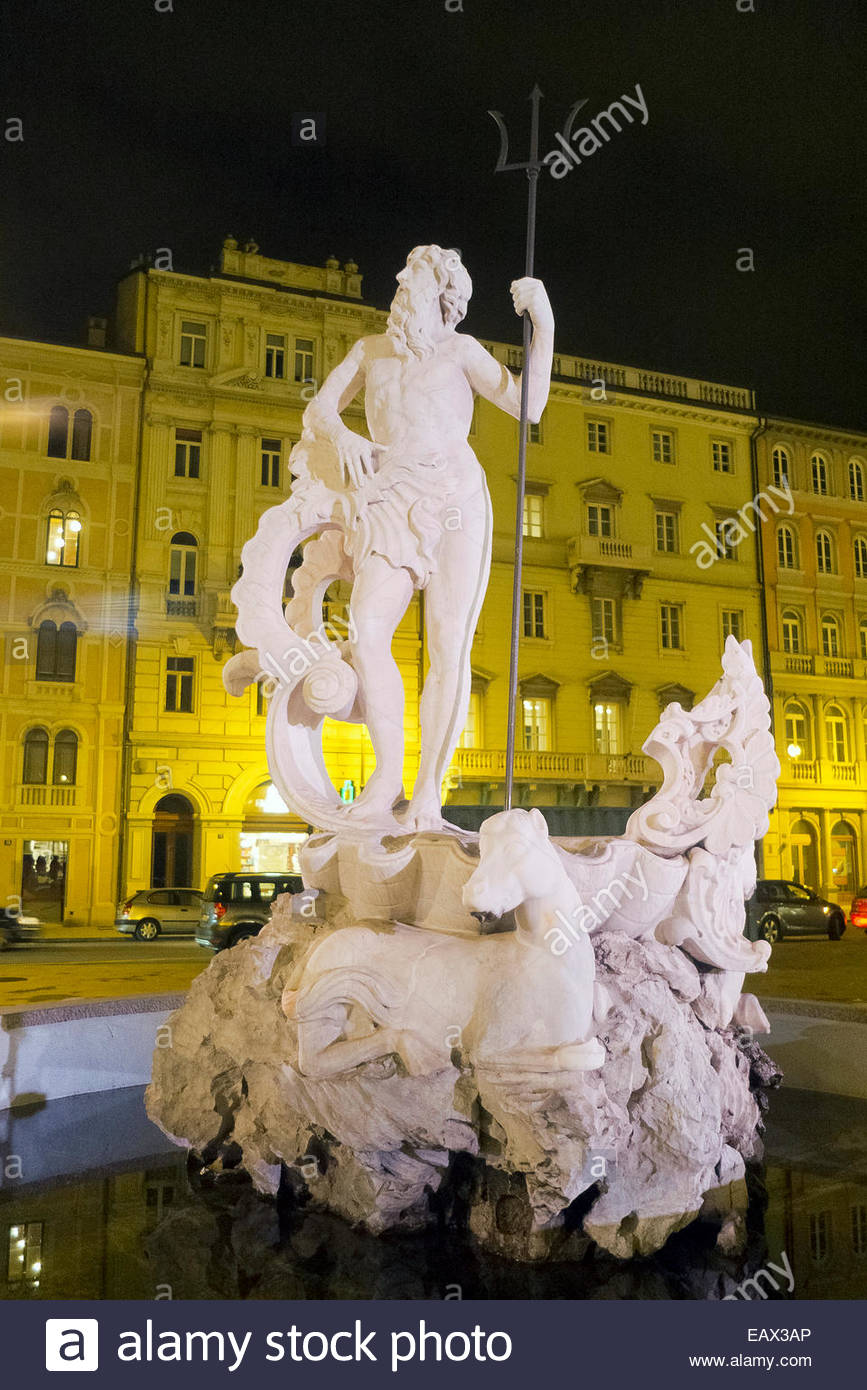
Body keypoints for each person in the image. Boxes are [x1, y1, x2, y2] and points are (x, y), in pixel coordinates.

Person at [301, 244, 554, 829]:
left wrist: (542, 322)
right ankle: (386, 777)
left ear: (441, 293)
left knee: (447, 645)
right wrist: (341, 436)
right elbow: (319, 410)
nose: (398, 281)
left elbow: (529, 406)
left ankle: (426, 797)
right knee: (366, 629)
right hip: (390, 497)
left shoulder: (461, 351)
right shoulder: (371, 352)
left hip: (457, 500)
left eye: (410, 275)